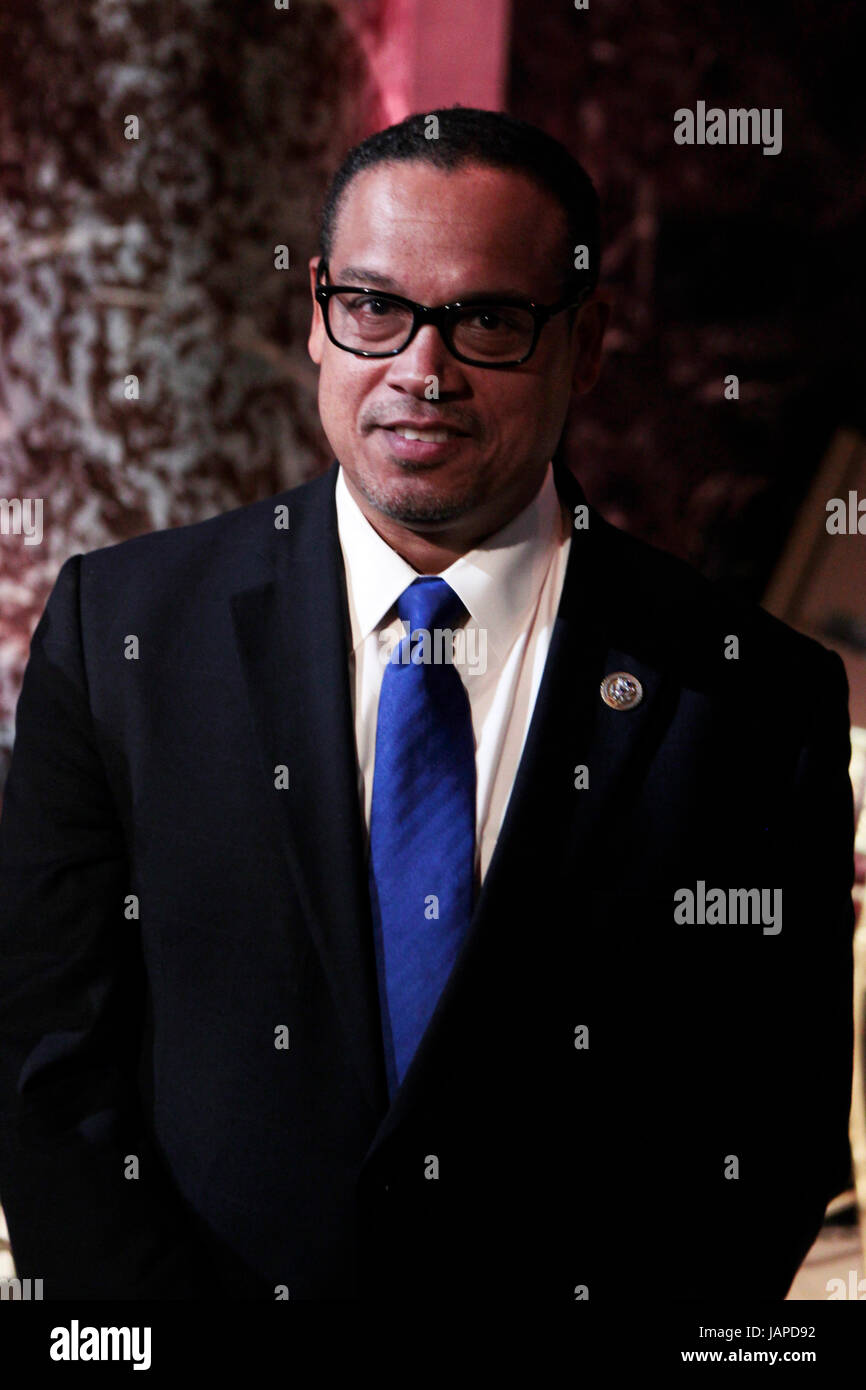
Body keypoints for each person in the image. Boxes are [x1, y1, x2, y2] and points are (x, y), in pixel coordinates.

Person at [0, 107, 855, 1302]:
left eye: (488, 321)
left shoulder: (750, 698)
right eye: (374, 306)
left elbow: (766, 1136)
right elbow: (50, 1079)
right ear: (316, 312)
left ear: (588, 340)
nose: (421, 369)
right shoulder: (122, 632)